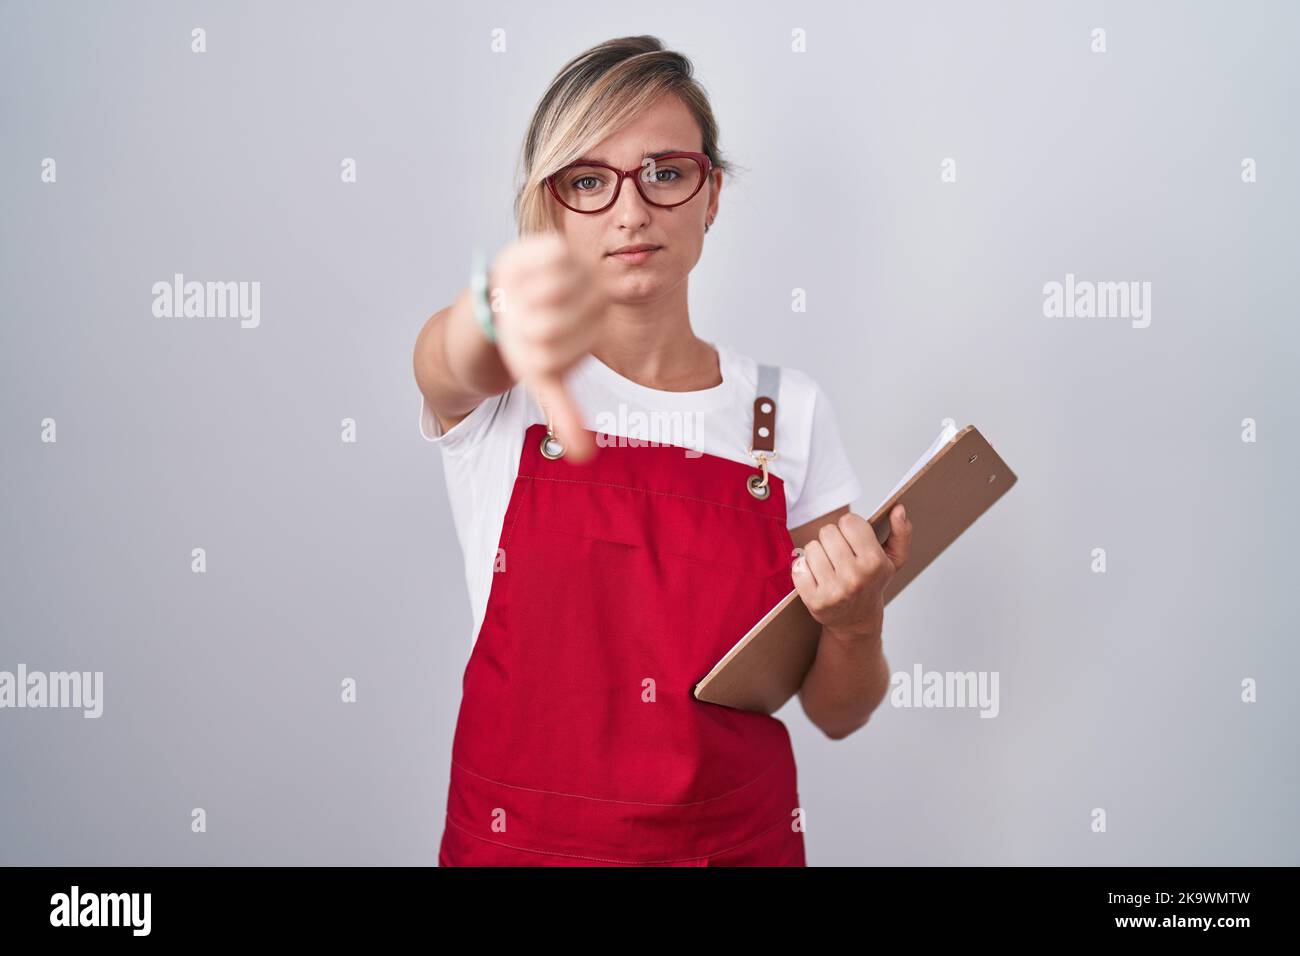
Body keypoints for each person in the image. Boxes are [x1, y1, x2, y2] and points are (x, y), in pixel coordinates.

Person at [413, 35, 913, 867]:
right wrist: (500, 310)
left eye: (666, 173)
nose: (630, 211)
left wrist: (857, 624)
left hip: (732, 846)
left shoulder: (783, 414)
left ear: (711, 193)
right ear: (551, 209)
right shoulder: (508, 386)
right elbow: (442, 358)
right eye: (588, 181)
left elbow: (835, 712)